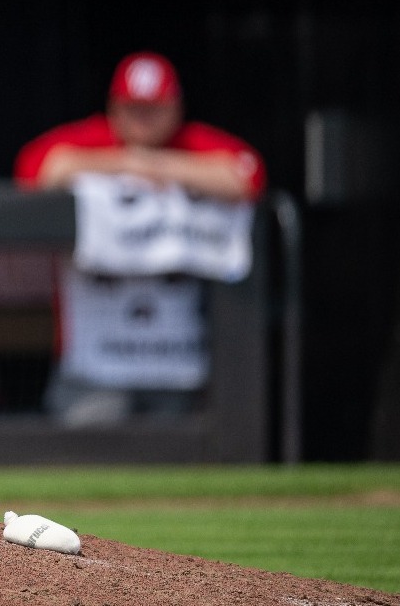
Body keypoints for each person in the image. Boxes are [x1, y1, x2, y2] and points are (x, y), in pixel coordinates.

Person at [16, 51, 266, 425]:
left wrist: (158, 164)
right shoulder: (90, 137)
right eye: (133, 108)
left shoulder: (192, 142)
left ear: (176, 107)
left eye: (154, 108)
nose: (143, 120)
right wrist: (127, 162)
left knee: (179, 458)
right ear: (113, 107)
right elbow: (38, 171)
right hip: (96, 356)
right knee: (87, 455)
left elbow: (247, 177)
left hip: (174, 353)